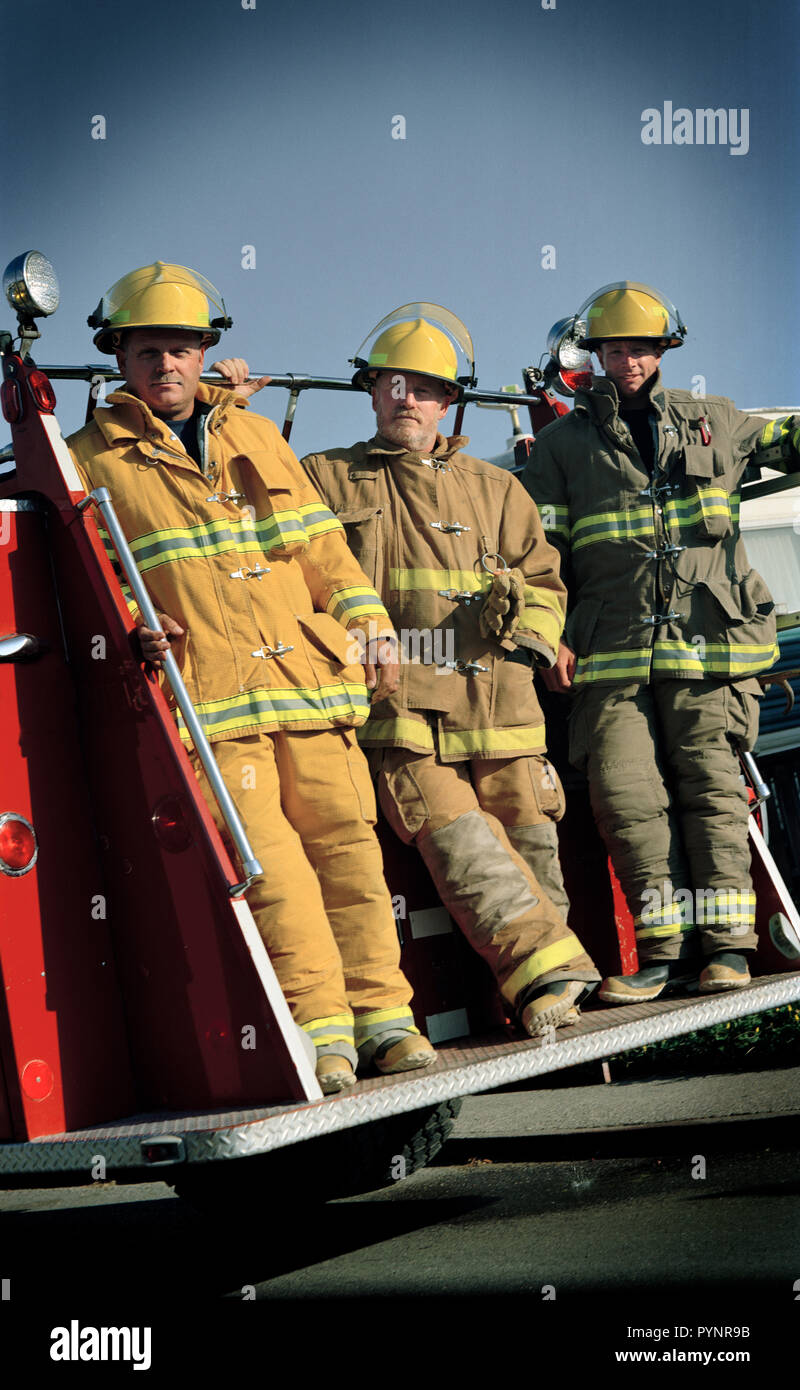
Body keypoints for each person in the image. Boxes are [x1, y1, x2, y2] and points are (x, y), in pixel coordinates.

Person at [66, 262, 436, 1093]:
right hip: (214, 707)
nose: (166, 366)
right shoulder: (88, 460)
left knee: (351, 859)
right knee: (275, 875)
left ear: (207, 353)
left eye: (183, 349)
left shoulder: (259, 436)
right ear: (118, 358)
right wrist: (134, 622)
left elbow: (322, 552)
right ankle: (325, 1036)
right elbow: (101, 581)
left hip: (312, 687)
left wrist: (367, 620)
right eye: (147, 351)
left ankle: (389, 1022)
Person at [293, 306, 601, 1036]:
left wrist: (527, 636)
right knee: (463, 846)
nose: (406, 398)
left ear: (447, 401)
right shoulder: (324, 478)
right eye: (392, 384)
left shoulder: (497, 490)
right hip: (404, 717)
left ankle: (555, 1020)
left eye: (424, 388)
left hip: (505, 708)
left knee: (531, 847)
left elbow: (547, 580)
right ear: (370, 391)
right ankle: (553, 976)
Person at [522, 281, 800, 1002]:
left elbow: (791, 444)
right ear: (598, 353)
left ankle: (729, 949)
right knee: (627, 798)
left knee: (711, 793)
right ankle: (660, 953)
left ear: (664, 349)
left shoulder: (720, 421)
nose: (629, 361)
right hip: (610, 655)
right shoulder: (558, 448)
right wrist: (547, 638)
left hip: (710, 649)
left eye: (641, 348)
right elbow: (543, 559)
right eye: (615, 349)